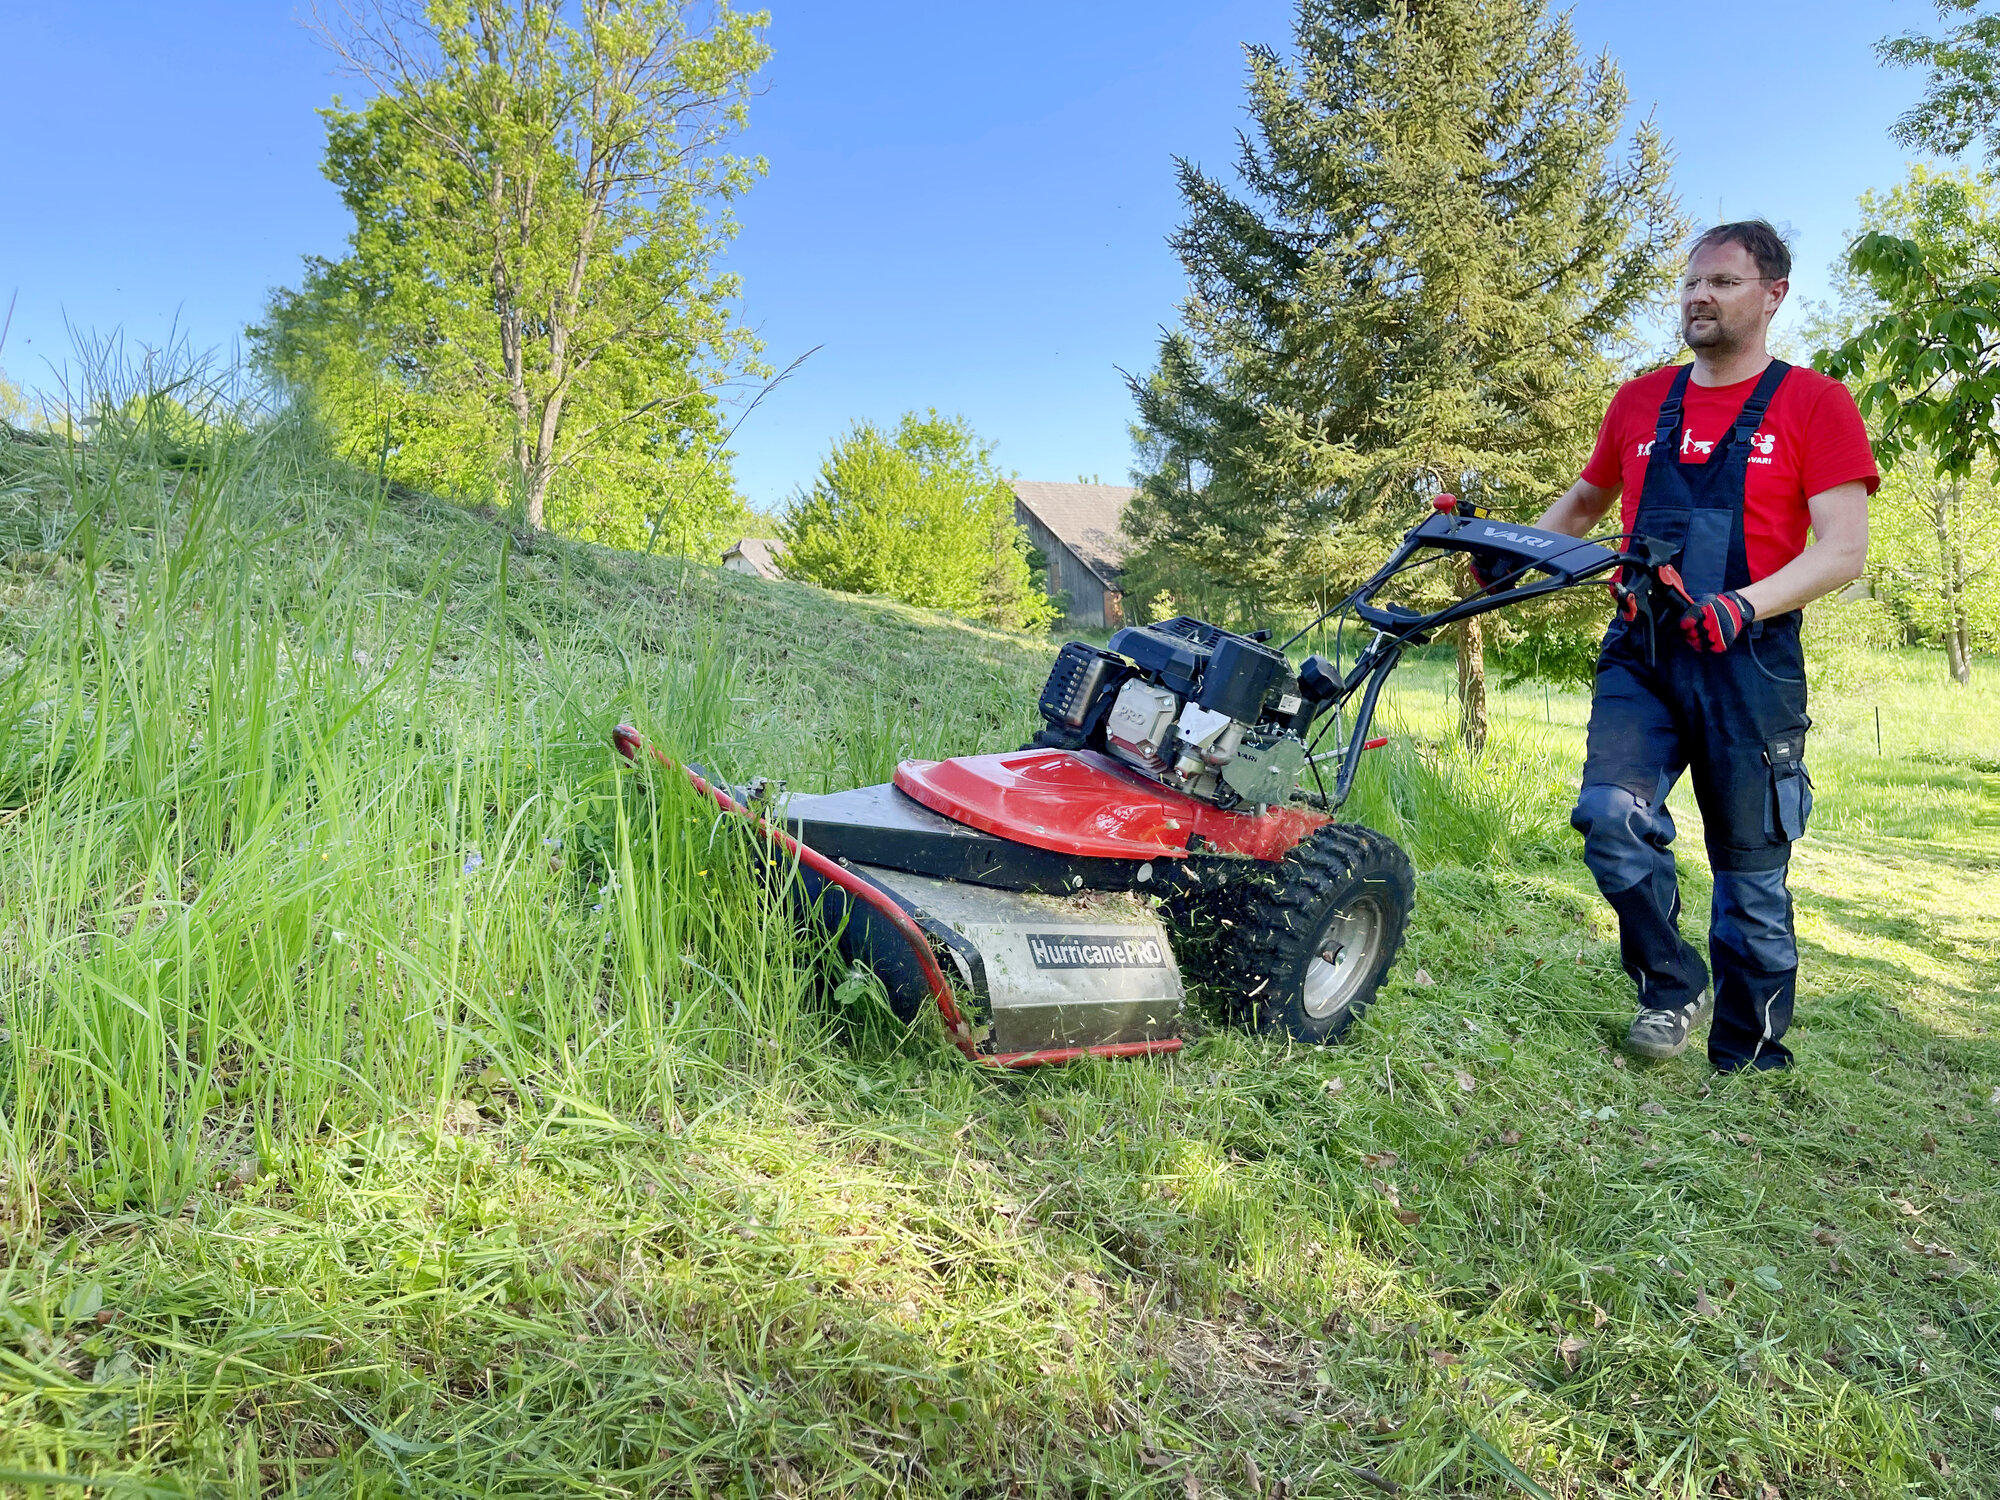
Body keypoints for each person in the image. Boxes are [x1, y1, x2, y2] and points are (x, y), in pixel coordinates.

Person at [1523, 221, 1876, 1070]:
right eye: (1691, 282)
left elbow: (1842, 549)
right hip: (1641, 653)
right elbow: (1580, 504)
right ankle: (1671, 985)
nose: (1698, 296)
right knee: (1610, 818)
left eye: (1720, 282)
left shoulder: (1814, 403)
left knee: (1750, 880)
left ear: (1773, 294)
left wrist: (1742, 607)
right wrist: (1509, 557)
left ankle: (1747, 1052)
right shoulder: (1639, 402)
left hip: (1749, 665)